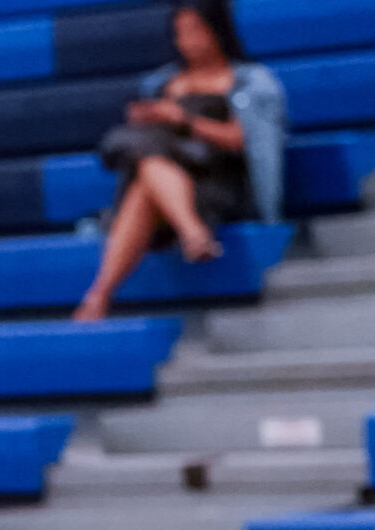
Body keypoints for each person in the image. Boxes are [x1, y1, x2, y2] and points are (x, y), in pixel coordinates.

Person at [76, 0, 283, 321]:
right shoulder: (160, 83)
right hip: (163, 175)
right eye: (181, 33)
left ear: (218, 30)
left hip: (216, 182)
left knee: (147, 178)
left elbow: (245, 140)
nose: (189, 41)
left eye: (196, 30)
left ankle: (100, 294)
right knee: (148, 170)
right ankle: (192, 235)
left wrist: (185, 121)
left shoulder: (250, 82)